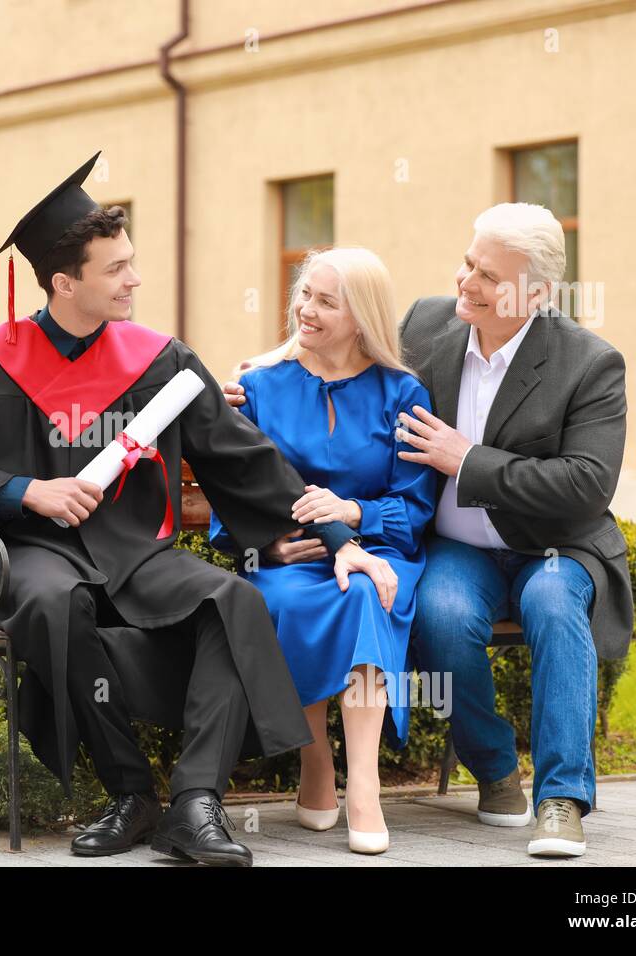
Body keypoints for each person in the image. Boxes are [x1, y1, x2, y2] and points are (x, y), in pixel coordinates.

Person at [0, 151, 394, 867]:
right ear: (65, 283)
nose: (134, 279)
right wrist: (25, 491)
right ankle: (132, 794)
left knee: (231, 600)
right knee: (53, 601)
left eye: (132, 262)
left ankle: (196, 805)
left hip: (130, 551)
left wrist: (334, 531)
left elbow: (243, 459)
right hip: (27, 550)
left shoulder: (158, 362)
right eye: (115, 270)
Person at [397, 202, 632, 857]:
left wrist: (466, 461)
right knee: (439, 613)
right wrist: (264, 381)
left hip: (554, 548)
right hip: (459, 549)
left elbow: (586, 483)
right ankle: (497, 772)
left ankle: (560, 800)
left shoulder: (590, 363)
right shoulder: (424, 323)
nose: (464, 281)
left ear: (536, 293)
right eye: (468, 262)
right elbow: (352, 369)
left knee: (554, 603)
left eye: (486, 275)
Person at [215, 247, 434, 854]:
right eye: (304, 294)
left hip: (377, 550)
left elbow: (415, 506)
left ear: (361, 316)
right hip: (288, 557)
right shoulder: (258, 386)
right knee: (285, 599)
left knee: (362, 591)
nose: (305, 310)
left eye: (325, 301)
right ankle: (316, 763)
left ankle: (364, 782)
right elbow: (237, 489)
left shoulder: (402, 393)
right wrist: (268, 544)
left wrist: (353, 512)